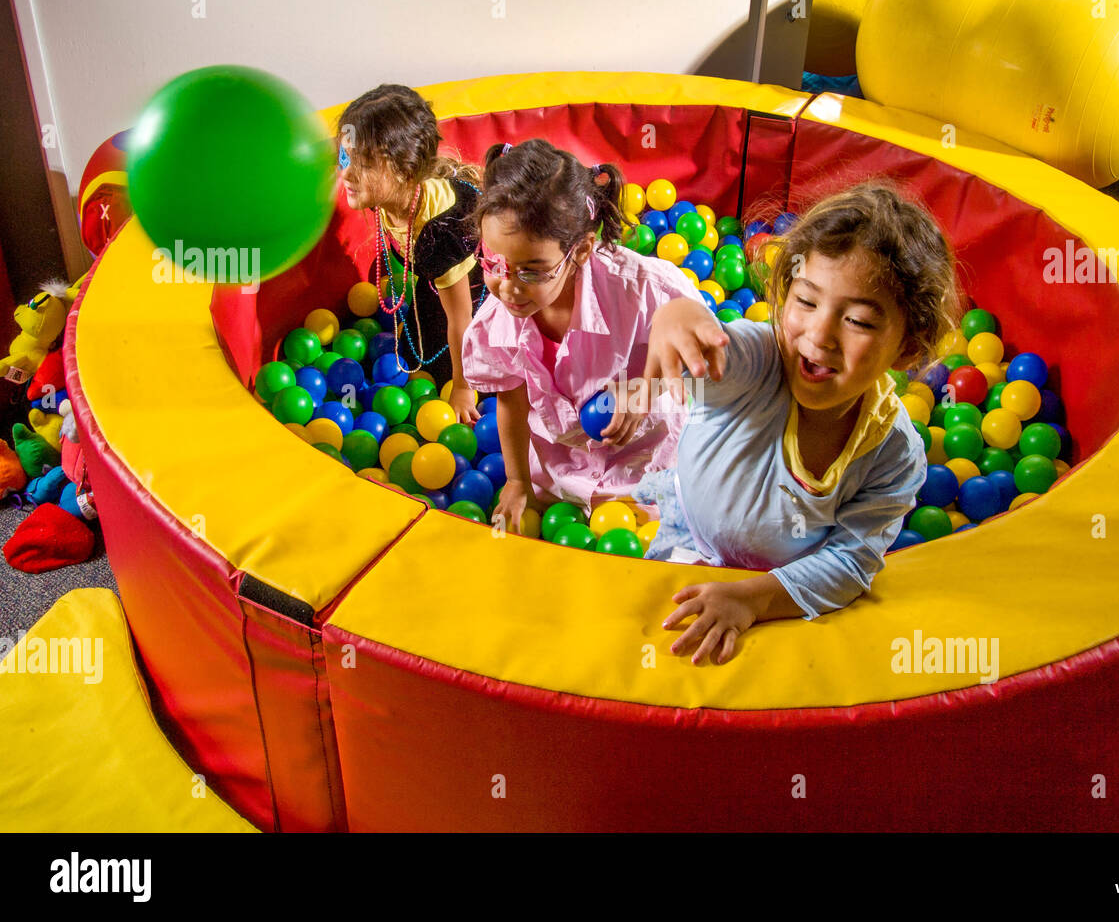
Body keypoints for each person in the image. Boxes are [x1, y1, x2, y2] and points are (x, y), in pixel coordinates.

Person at [638, 182, 963, 665]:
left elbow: (850, 560)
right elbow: (704, 345)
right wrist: (675, 314)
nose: (819, 334)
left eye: (858, 321)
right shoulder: (757, 360)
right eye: (806, 302)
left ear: (909, 348)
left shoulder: (893, 453)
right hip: (692, 532)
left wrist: (754, 598)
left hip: (783, 582)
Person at [460, 139, 707, 527]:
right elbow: (511, 401)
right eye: (492, 262)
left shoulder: (644, 289)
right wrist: (516, 480)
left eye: (532, 271)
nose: (508, 287)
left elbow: (708, 355)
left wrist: (644, 388)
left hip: (648, 468)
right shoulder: (496, 322)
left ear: (581, 250)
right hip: (560, 474)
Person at [336, 84, 482, 424]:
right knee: (418, 349)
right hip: (434, 288)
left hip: (480, 300)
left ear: (403, 170)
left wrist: (463, 387)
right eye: (345, 157)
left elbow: (462, 320)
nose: (346, 174)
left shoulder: (439, 229)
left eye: (363, 164)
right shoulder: (391, 200)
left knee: (457, 373)